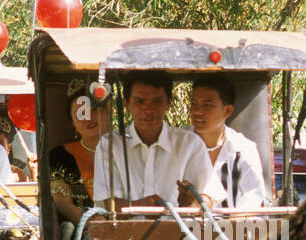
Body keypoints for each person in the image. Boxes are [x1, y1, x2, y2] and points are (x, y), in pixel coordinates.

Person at [93, 71, 223, 210]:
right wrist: (142, 206)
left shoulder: (190, 144)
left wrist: (193, 202)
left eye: (157, 101)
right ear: (126, 104)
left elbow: (209, 200)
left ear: (169, 103)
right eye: (140, 101)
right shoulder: (110, 144)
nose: (148, 109)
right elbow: (106, 202)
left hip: (179, 230)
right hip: (125, 231)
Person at [188, 75, 267, 209]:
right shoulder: (178, 144)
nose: (197, 111)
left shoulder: (243, 149)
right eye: (194, 103)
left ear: (228, 111)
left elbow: (253, 199)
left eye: (207, 105)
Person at [49, 83, 106, 223]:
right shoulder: (60, 156)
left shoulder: (125, 149)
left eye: (94, 110)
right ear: (73, 123)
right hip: (83, 233)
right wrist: (91, 225)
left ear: (107, 112)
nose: (88, 117)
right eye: (81, 113)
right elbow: (62, 202)